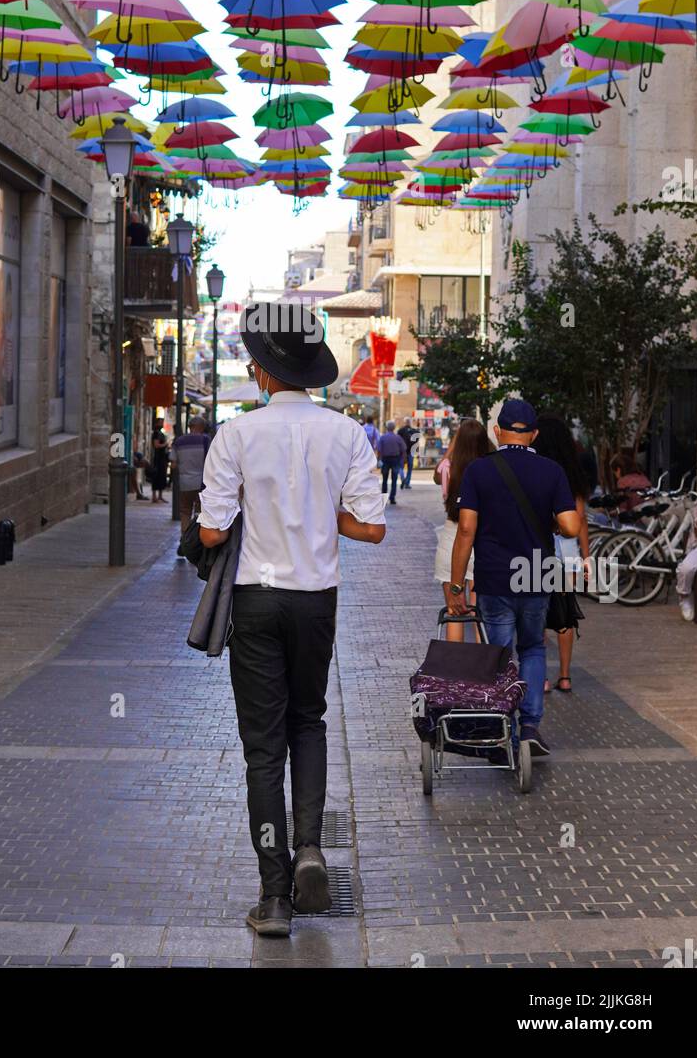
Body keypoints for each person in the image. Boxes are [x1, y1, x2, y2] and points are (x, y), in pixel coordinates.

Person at [199, 303, 385, 939]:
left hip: (256, 599)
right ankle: (310, 848)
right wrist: (317, 513)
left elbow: (211, 528)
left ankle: (275, 896)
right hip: (316, 600)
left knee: (262, 750)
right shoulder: (347, 433)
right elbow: (373, 528)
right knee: (310, 722)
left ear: (260, 373)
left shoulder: (238, 435)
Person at [449, 399, 580, 759]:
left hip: (493, 578)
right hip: (537, 575)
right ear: (534, 434)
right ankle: (530, 727)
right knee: (534, 647)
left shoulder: (479, 470)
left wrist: (457, 585)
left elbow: (465, 531)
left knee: (499, 652)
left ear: (497, 431)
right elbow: (570, 525)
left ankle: (499, 726)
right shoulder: (551, 471)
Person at [534, 414, 592, 694]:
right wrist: (586, 556)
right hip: (568, 553)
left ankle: (542, 677)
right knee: (565, 615)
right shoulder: (572, 474)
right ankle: (565, 676)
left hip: (538, 551)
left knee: (540, 615)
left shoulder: (537, 473)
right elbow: (580, 520)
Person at [434, 419, 492, 642]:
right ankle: (481, 670)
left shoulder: (448, 467)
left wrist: (454, 444)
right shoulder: (489, 468)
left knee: (453, 611)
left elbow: (437, 472)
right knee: (481, 612)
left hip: (451, 540)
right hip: (481, 540)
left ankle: (455, 670)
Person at [171, 416, 211, 549]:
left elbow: (173, 465)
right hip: (202, 483)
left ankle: (185, 540)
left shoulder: (179, 441)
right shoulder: (206, 440)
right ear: (202, 427)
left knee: (185, 511)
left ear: (190, 426)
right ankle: (197, 542)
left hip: (185, 483)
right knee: (200, 512)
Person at [378, 420, 406, 505]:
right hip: (395, 459)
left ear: (387, 427)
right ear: (394, 428)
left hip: (385, 460)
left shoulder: (383, 437)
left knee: (384, 480)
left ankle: (384, 498)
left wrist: (379, 459)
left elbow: (379, 450)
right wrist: (402, 459)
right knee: (394, 480)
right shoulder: (398, 438)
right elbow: (403, 449)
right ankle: (392, 498)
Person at [148, 422, 169, 502]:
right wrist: (165, 444)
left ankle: (160, 496)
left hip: (162, 458)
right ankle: (154, 496)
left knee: (162, 476)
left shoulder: (160, 433)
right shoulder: (156, 433)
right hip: (158, 458)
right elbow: (156, 445)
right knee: (156, 476)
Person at [397, 416, 418, 489]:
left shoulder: (400, 431)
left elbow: (398, 442)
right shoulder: (415, 431)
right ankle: (407, 483)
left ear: (404, 422)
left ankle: (403, 479)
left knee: (400, 467)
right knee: (409, 468)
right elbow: (416, 443)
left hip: (402, 452)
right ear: (410, 422)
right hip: (411, 452)